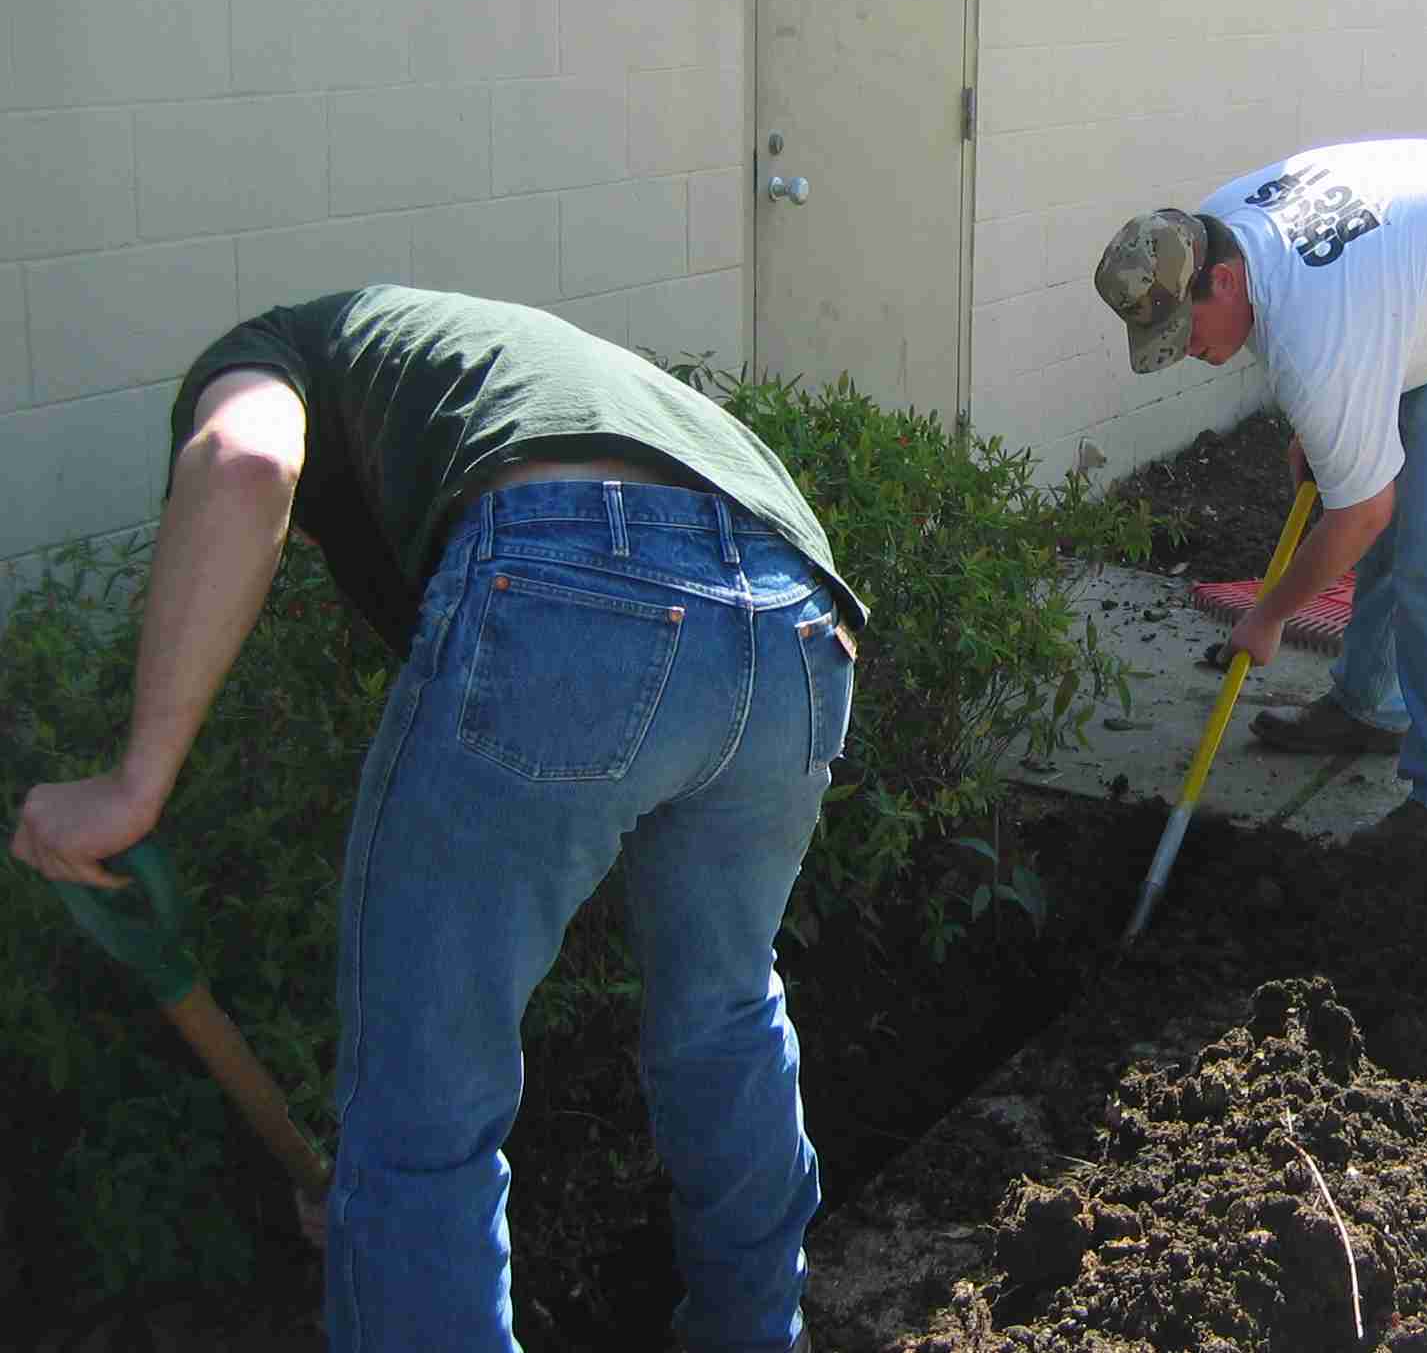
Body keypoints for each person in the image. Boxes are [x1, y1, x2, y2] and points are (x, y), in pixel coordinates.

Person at [10, 287, 858, 1353]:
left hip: (569, 564)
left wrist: (133, 784)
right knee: (725, 1010)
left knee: (423, 1102)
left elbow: (244, 467)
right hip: (798, 611)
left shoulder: (272, 350)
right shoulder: (460, 372)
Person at [1094, 138, 1427, 845]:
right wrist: (1332, 427)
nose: (1185, 352)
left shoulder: (1313, 330)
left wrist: (1269, 615)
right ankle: (1368, 706)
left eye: (1183, 332)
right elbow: (1333, 335)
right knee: (1385, 489)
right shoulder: (1218, 231)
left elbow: (1361, 513)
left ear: (1224, 283)